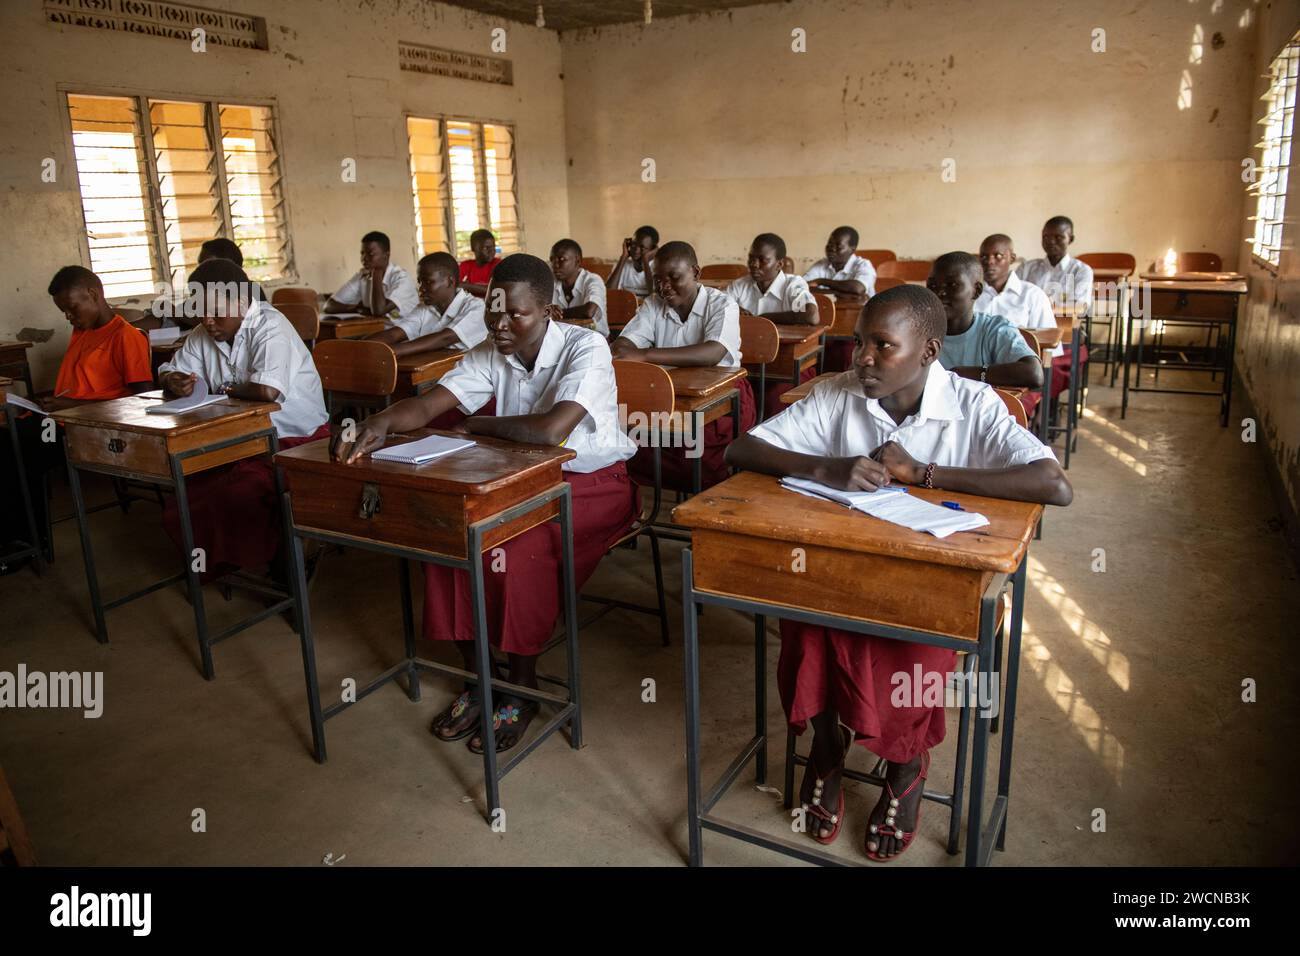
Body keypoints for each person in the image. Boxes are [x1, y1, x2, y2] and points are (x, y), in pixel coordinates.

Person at [725, 284, 1071, 861]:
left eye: (882, 346)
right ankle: (830, 748)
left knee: (915, 648)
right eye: (860, 342)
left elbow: (1052, 485)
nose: (861, 357)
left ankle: (906, 761)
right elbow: (743, 450)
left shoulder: (975, 404)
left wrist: (924, 474)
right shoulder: (838, 394)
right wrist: (827, 466)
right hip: (843, 571)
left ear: (929, 351)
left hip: (931, 580)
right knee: (808, 626)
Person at [334, 254, 637, 754]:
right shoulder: (492, 349)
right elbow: (431, 403)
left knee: (517, 548)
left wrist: (474, 425)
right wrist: (381, 422)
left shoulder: (587, 348)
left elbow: (550, 431)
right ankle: (480, 679)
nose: (499, 324)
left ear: (549, 313)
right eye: (493, 311)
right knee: (453, 535)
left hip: (589, 481)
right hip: (518, 474)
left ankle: (521, 687)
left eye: (514, 314)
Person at [157, 258, 328, 582]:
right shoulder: (202, 333)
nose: (206, 321)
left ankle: (284, 556)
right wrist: (173, 381)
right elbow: (168, 369)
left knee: (242, 491)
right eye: (200, 311)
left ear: (241, 302)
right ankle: (219, 562)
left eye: (215, 312)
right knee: (189, 484)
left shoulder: (270, 326)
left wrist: (222, 389)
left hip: (295, 437)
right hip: (237, 438)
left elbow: (267, 391)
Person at [0, 266, 152, 571]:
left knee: (18, 451)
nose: (68, 317)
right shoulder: (82, 331)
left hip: (90, 428)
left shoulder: (125, 336)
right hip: (59, 419)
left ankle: (29, 541)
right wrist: (48, 402)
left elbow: (141, 400)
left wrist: (69, 404)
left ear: (93, 294)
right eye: (64, 312)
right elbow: (78, 387)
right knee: (5, 439)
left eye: (71, 308)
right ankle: (14, 537)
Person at [612, 240, 754, 490]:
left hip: (720, 399)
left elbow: (713, 352)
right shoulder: (654, 304)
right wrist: (638, 354)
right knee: (629, 448)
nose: (664, 287)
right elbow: (621, 347)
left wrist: (645, 355)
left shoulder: (721, 304)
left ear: (696, 273)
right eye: (658, 279)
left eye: (674, 277)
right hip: (670, 395)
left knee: (696, 459)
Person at [927, 252, 1042, 390]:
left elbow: (1034, 374)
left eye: (951, 285)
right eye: (932, 286)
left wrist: (961, 374)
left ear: (976, 291)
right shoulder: (919, 330)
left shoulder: (994, 329)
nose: (940, 292)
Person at [365, 252, 486, 356]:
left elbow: (444, 338)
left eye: (428, 282)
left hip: (466, 378)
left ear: (450, 281)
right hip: (431, 373)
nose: (421, 288)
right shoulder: (426, 308)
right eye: (420, 282)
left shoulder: (476, 308)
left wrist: (389, 352)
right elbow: (395, 334)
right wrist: (360, 346)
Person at [324, 231, 419, 318]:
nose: (364, 259)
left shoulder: (402, 278)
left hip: (408, 332)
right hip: (378, 329)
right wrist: (358, 309)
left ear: (386, 255)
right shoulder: (363, 276)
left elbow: (379, 311)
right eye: (362, 253)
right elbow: (329, 306)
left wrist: (376, 273)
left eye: (370, 254)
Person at [550, 238, 609, 335]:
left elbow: (589, 311)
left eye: (562, 259)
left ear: (577, 261)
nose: (555, 265)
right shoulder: (551, 282)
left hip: (594, 337)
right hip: (565, 337)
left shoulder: (593, 280)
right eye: (552, 259)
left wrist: (555, 313)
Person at [606, 225, 659, 296]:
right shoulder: (622, 266)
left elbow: (654, 295)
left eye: (642, 247)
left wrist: (645, 260)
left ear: (652, 250)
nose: (636, 250)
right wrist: (623, 257)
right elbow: (609, 294)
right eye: (634, 244)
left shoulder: (657, 268)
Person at [458, 229, 500, 297]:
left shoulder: (498, 264)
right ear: (473, 248)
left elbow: (496, 290)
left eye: (493, 247)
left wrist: (466, 286)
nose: (492, 251)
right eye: (486, 248)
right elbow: (455, 286)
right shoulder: (465, 266)